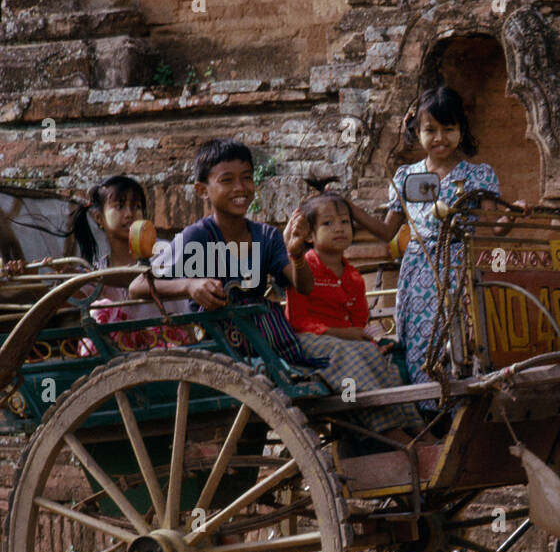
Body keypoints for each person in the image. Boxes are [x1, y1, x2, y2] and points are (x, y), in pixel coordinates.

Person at [348, 86, 525, 403]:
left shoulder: (478, 175)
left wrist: (512, 219)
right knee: (421, 343)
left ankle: (457, 409)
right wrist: (351, 211)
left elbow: (491, 229)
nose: (440, 137)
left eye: (449, 129)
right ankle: (425, 410)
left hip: (461, 274)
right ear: (416, 131)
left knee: (462, 344)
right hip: (418, 276)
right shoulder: (406, 176)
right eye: (431, 130)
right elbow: (389, 231)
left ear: (461, 131)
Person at [141, 137, 315, 366]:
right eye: (227, 180)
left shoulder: (267, 237)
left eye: (246, 178)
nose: (240, 188)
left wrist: (296, 254)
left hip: (263, 340)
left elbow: (305, 287)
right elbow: (138, 286)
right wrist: (189, 285)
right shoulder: (197, 236)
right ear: (202, 190)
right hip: (213, 349)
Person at [285, 192, 427, 445]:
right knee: (350, 356)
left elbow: (359, 322)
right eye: (328, 223)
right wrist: (342, 333)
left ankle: (416, 431)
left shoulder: (353, 277)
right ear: (309, 235)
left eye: (345, 222)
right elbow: (298, 319)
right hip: (308, 341)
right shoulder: (304, 266)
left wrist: (371, 339)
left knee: (383, 362)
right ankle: (386, 432)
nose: (339, 228)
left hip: (347, 341)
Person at [71, 175, 197, 354]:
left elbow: (139, 278)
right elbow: (67, 300)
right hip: (117, 360)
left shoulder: (164, 252)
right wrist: (66, 276)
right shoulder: (97, 269)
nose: (130, 214)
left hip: (168, 347)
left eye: (136, 207)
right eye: (119, 206)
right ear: (98, 217)